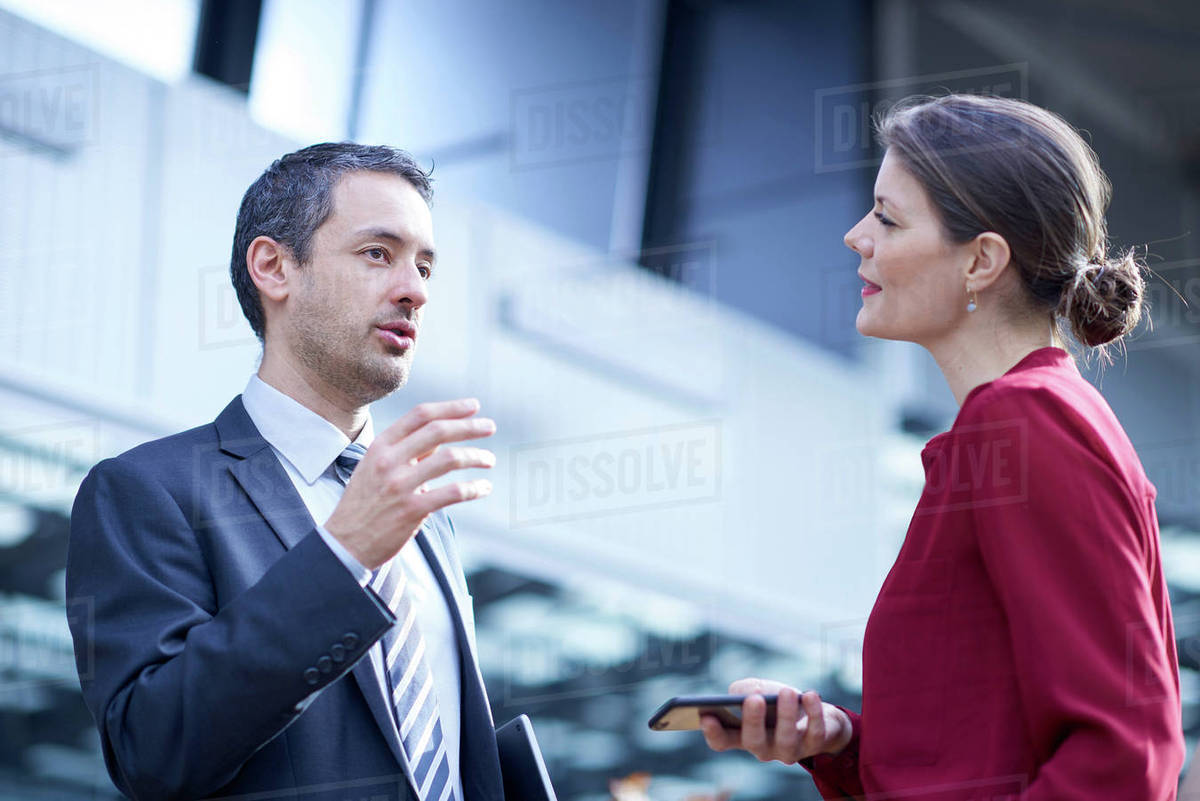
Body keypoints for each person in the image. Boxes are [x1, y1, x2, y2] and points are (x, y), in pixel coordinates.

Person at [701, 95, 1185, 799]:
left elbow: (1126, 755)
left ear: (981, 260)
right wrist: (839, 741)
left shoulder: (1026, 422)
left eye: (887, 218)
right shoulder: (1024, 422)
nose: (854, 235)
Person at [66, 143, 503, 801]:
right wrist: (340, 555)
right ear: (273, 267)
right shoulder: (148, 491)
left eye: (424, 265)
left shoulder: (425, 518)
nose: (414, 289)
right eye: (377, 253)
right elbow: (151, 752)